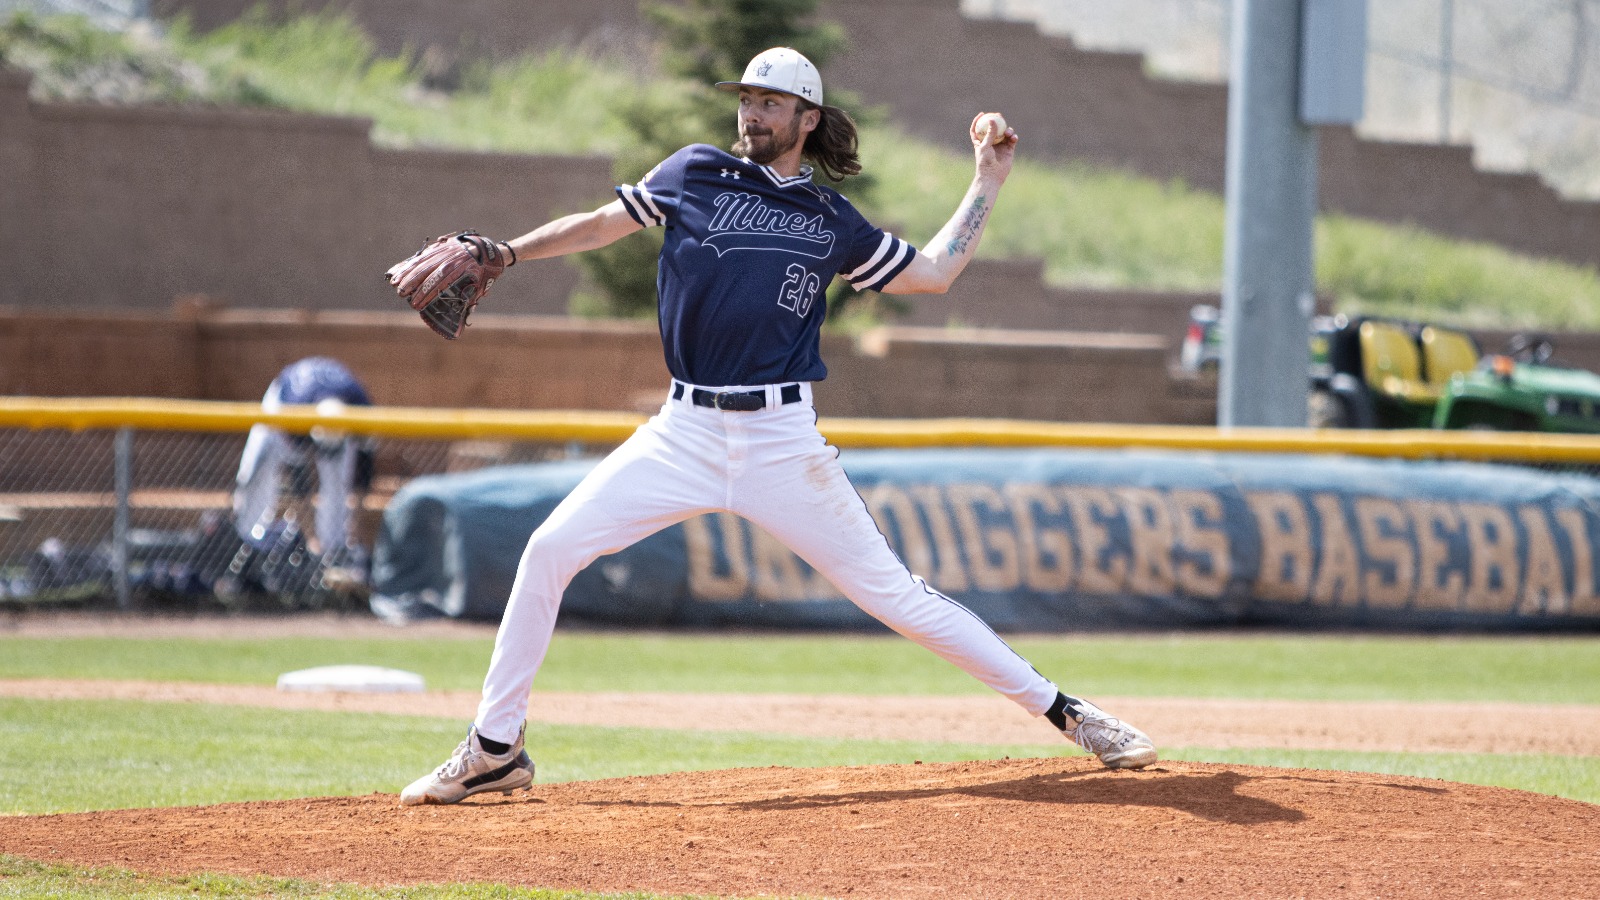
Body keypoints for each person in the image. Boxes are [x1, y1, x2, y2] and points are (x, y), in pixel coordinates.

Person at [400, 47, 1156, 806]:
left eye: (769, 102)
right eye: (747, 98)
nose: (751, 111)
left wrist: (987, 182)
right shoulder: (695, 171)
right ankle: (496, 747)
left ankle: (1070, 713)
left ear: (806, 119)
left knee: (898, 597)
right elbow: (600, 224)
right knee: (549, 548)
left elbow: (932, 272)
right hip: (682, 432)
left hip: (781, 442)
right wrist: (507, 251)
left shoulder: (830, 218)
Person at [232, 356, 374, 563]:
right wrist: (311, 539)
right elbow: (296, 483)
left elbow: (364, 473)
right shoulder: (294, 417)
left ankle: (334, 551)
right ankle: (244, 540)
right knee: (256, 468)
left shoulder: (361, 408)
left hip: (330, 406)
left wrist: (355, 526)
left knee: (338, 481)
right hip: (282, 400)